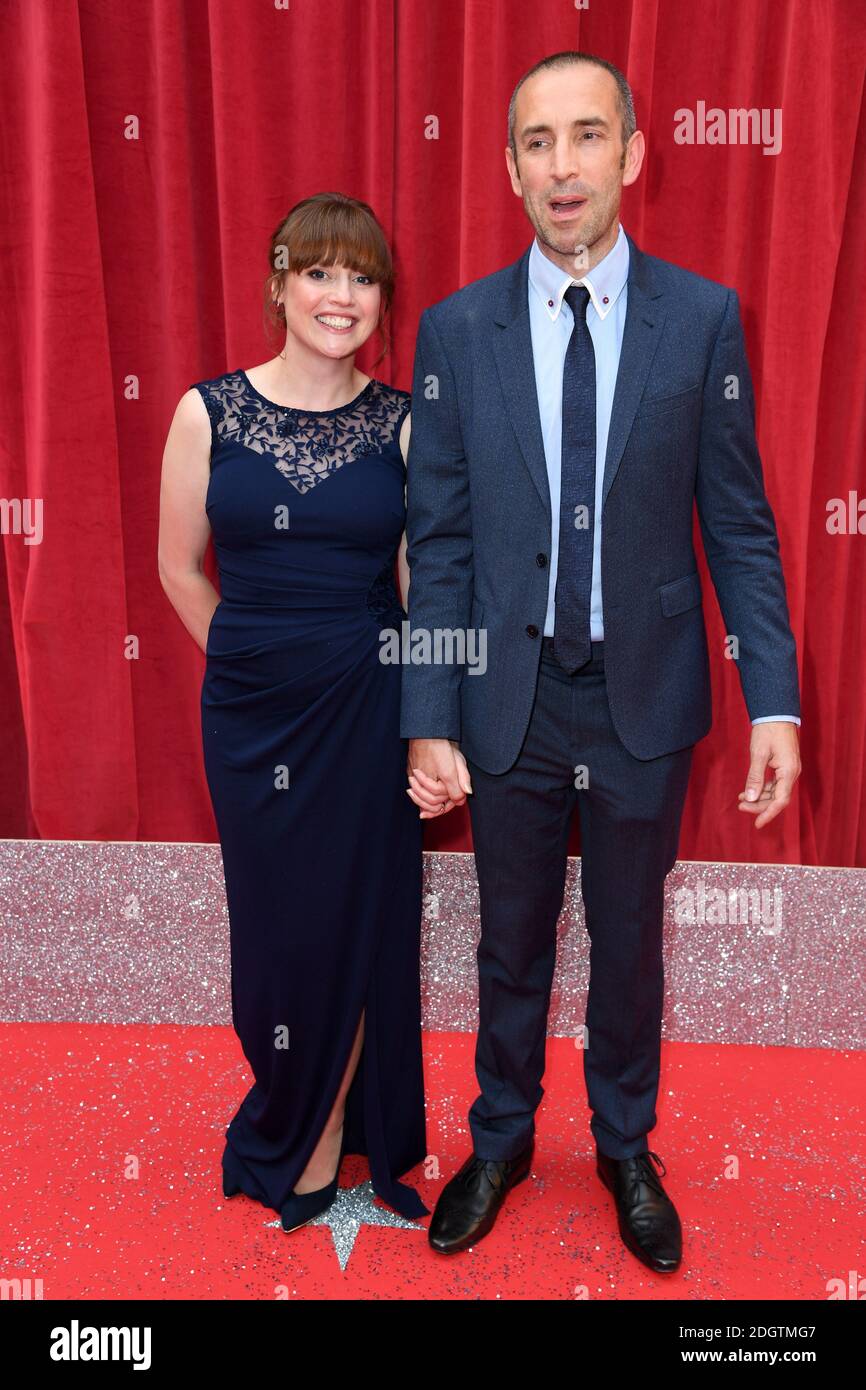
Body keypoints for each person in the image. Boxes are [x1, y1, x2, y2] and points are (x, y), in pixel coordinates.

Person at [401, 51, 801, 1272]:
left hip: (643, 699)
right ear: (510, 165)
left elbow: (735, 520)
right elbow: (444, 538)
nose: (561, 166)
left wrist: (771, 697)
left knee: (628, 938)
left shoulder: (701, 316)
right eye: (536, 141)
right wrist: (427, 710)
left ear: (630, 155)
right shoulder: (455, 328)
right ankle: (502, 1136)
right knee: (508, 938)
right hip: (505, 701)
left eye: (585, 138)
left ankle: (624, 1145)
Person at [158, 193, 429, 1233]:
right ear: (278, 283)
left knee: (354, 924)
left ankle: (318, 1138)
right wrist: (253, 659)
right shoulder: (207, 412)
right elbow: (178, 569)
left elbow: (422, 594)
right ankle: (285, 1097)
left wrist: (426, 717)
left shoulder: (405, 425)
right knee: (275, 935)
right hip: (251, 718)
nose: (340, 295)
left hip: (366, 709)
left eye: (362, 278)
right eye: (319, 271)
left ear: (380, 300)